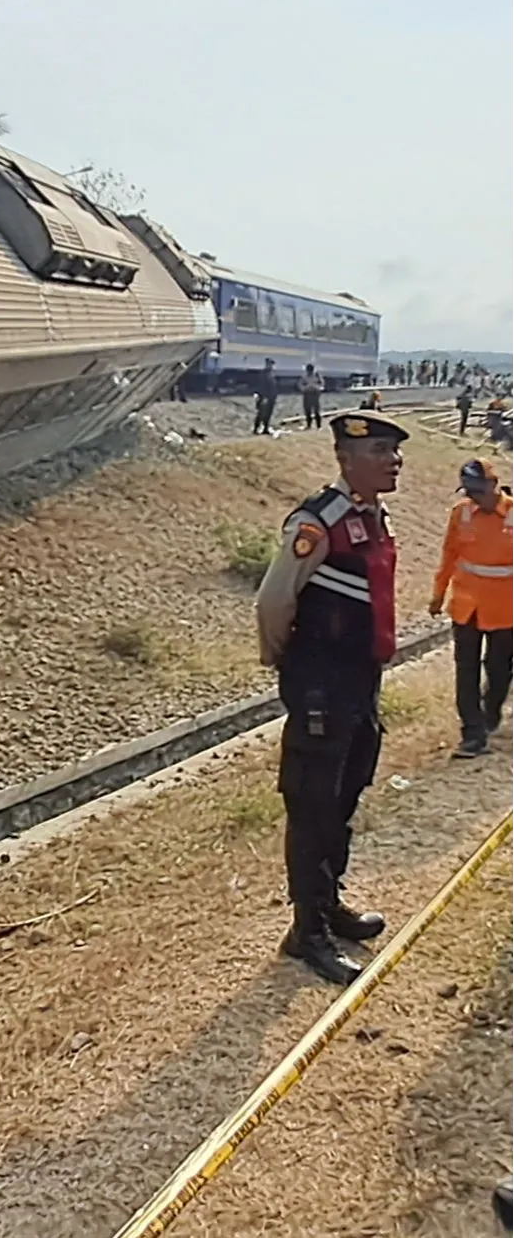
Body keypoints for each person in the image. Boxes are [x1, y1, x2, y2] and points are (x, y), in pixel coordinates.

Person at [256, 409, 409, 986]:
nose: (393, 461)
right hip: (321, 681)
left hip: (360, 679)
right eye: (380, 453)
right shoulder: (319, 521)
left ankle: (329, 902)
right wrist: (287, 665)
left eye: (396, 453)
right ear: (346, 459)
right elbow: (274, 602)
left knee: (346, 791)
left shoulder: (376, 517)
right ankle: (306, 930)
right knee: (313, 799)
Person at [429, 459, 514, 758]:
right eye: (469, 491)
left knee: (499, 669)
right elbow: (449, 555)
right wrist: (438, 594)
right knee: (465, 670)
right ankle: (472, 733)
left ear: (494, 484)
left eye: (479, 490)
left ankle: (491, 712)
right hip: (466, 607)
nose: (474, 497)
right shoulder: (460, 513)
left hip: (506, 610)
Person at [253, 357, 277, 436]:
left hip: (271, 397)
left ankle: (265, 429)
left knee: (268, 414)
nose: (271, 366)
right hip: (265, 397)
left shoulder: (271, 373)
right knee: (261, 414)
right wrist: (263, 397)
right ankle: (256, 429)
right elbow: (262, 386)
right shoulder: (264, 374)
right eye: (270, 364)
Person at [298, 363, 324, 429]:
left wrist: (316, 387)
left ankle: (319, 426)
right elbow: (300, 385)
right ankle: (309, 425)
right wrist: (306, 387)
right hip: (307, 394)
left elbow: (322, 384)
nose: (310, 371)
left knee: (316, 411)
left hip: (315, 394)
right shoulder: (304, 377)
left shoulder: (317, 376)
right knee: (307, 410)